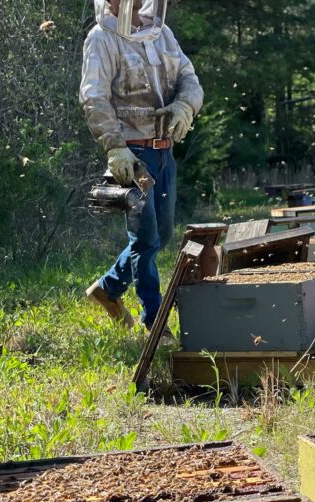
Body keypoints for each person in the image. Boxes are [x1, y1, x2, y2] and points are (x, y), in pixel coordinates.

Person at [81, 0, 203, 329]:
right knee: (146, 239)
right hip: (134, 157)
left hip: (165, 153)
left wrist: (184, 106)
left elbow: (189, 78)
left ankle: (107, 289)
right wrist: (115, 146)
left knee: (161, 235)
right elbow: (94, 97)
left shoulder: (161, 33)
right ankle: (155, 324)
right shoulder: (101, 38)